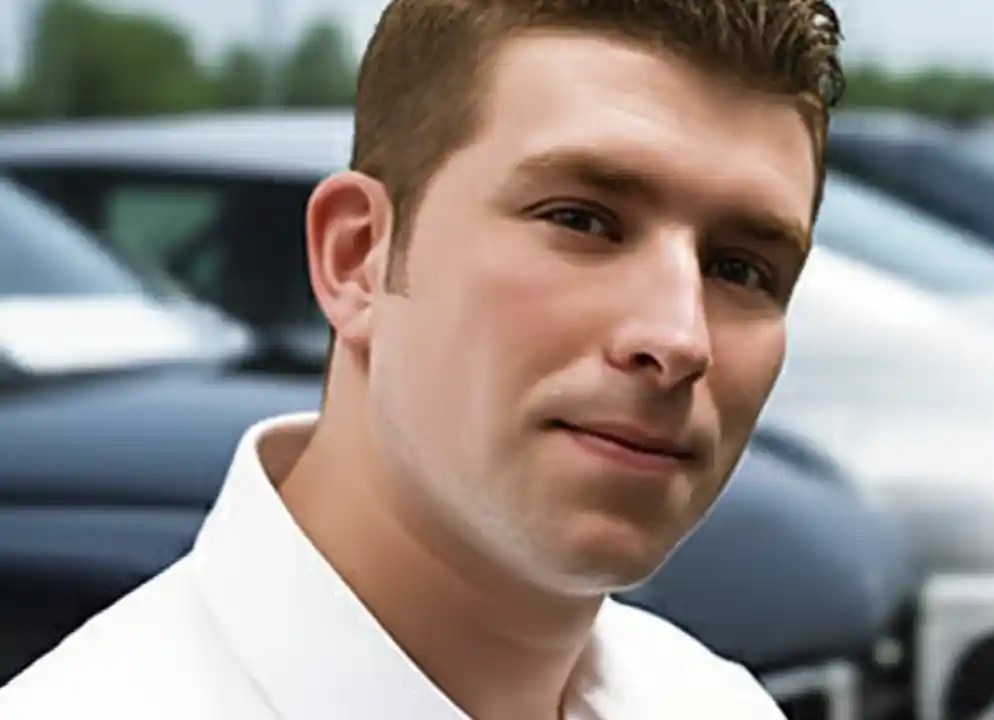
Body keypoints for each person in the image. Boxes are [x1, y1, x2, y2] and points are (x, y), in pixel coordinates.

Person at [0, 0, 844, 717]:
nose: (678, 337)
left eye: (742, 269)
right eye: (581, 220)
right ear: (356, 257)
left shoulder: (711, 703)